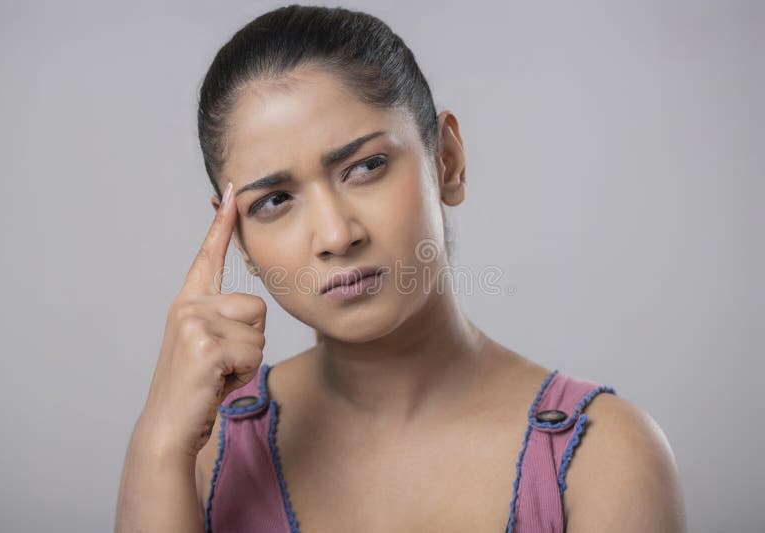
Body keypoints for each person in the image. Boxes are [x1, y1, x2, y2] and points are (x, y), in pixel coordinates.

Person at [115, 5, 687, 532]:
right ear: (234, 234)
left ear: (448, 160)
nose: (337, 236)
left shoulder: (604, 457)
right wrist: (158, 446)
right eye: (275, 201)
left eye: (366, 167)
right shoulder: (200, 455)